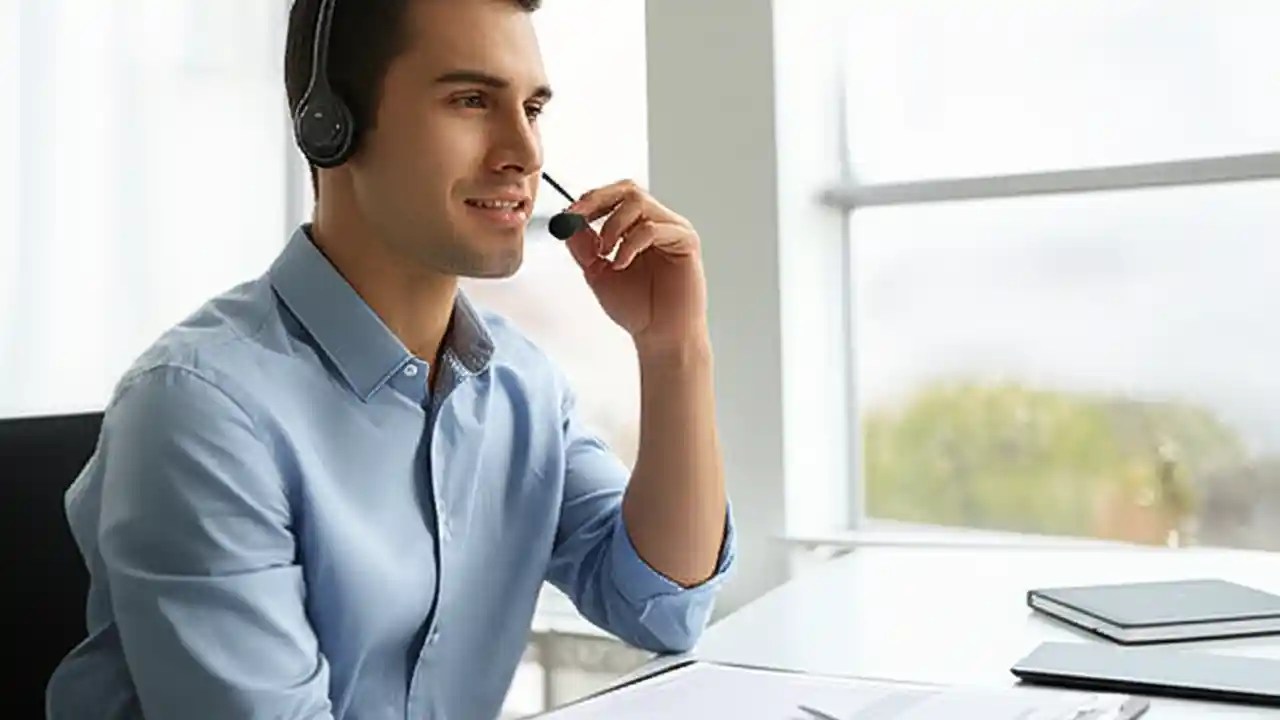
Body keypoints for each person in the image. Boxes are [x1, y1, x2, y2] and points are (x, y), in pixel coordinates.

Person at [45, 0, 736, 718]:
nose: (526, 152)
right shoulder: (200, 412)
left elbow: (662, 607)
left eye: (531, 108)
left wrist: (673, 346)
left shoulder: (520, 387)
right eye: (471, 100)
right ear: (330, 123)